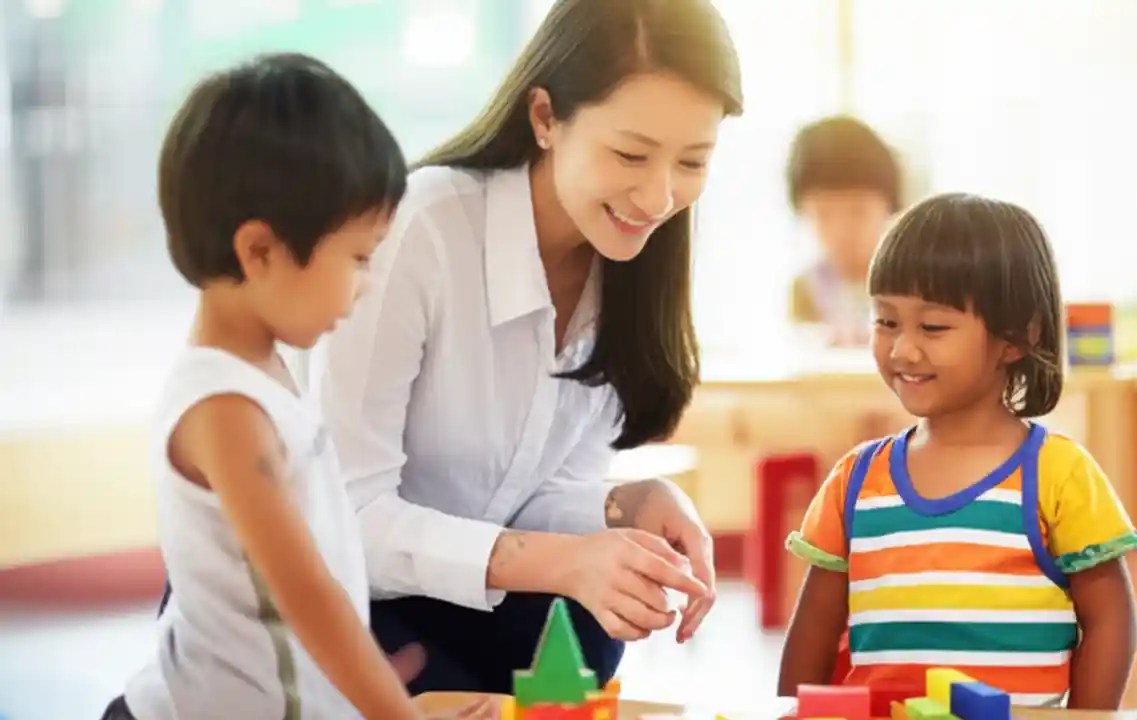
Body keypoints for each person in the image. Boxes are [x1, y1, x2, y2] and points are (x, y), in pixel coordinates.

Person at [309, 0, 744, 696]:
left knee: (588, 629)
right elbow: (342, 520)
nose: (660, 197)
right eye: (631, 154)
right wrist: (561, 563)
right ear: (545, 118)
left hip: (452, 600)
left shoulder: (629, 263)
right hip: (333, 595)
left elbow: (525, 492)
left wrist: (626, 505)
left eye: (692, 161)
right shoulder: (422, 226)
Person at [103, 54, 495, 720]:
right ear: (261, 251)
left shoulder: (264, 373)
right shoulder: (225, 409)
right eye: (359, 257)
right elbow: (304, 594)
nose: (367, 282)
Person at [777, 194, 1137, 710]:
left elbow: (1110, 620)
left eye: (932, 327)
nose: (903, 349)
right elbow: (812, 631)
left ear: (1017, 337)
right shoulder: (856, 480)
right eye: (885, 322)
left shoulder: (1059, 473)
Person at [786, 115, 901, 346]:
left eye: (858, 212)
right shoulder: (805, 290)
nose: (841, 232)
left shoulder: (916, 286)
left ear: (890, 207)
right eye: (823, 214)